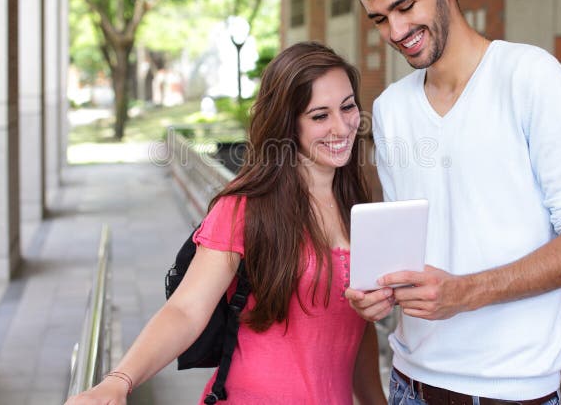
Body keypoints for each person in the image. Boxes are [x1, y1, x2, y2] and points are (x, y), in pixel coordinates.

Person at [344, 0, 561, 405]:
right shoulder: (389, 109)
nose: (396, 31)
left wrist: (467, 292)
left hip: (512, 392)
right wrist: (376, 292)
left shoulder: (530, 77)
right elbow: (408, 247)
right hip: (408, 384)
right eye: (380, 19)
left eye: (406, 6)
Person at [66, 42, 387, 405]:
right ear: (288, 123)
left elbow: (356, 327)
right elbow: (185, 310)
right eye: (319, 116)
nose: (341, 127)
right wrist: (118, 381)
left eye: (348, 107)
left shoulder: (356, 206)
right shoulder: (245, 207)